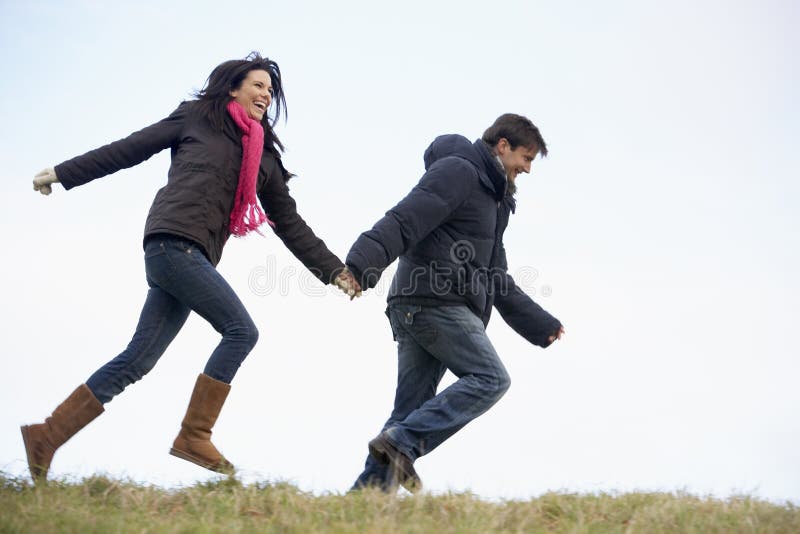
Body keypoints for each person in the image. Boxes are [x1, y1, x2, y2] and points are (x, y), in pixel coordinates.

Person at [21, 52, 361, 482]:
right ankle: (194, 435)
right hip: (171, 244)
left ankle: (45, 437)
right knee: (242, 331)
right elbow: (129, 148)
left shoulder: (265, 161)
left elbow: (290, 225)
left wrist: (334, 271)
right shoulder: (197, 118)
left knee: (137, 360)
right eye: (258, 85)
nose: (265, 95)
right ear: (233, 87)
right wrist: (61, 173)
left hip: (191, 257)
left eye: (270, 91)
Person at [345, 114, 564, 492]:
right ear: (502, 146)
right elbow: (405, 219)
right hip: (435, 300)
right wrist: (362, 264)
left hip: (422, 302)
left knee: (408, 412)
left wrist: (539, 324)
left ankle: (365, 500)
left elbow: (495, 275)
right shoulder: (460, 173)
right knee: (491, 379)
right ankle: (403, 442)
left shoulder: (495, 199)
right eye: (526, 158)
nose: (527, 169)